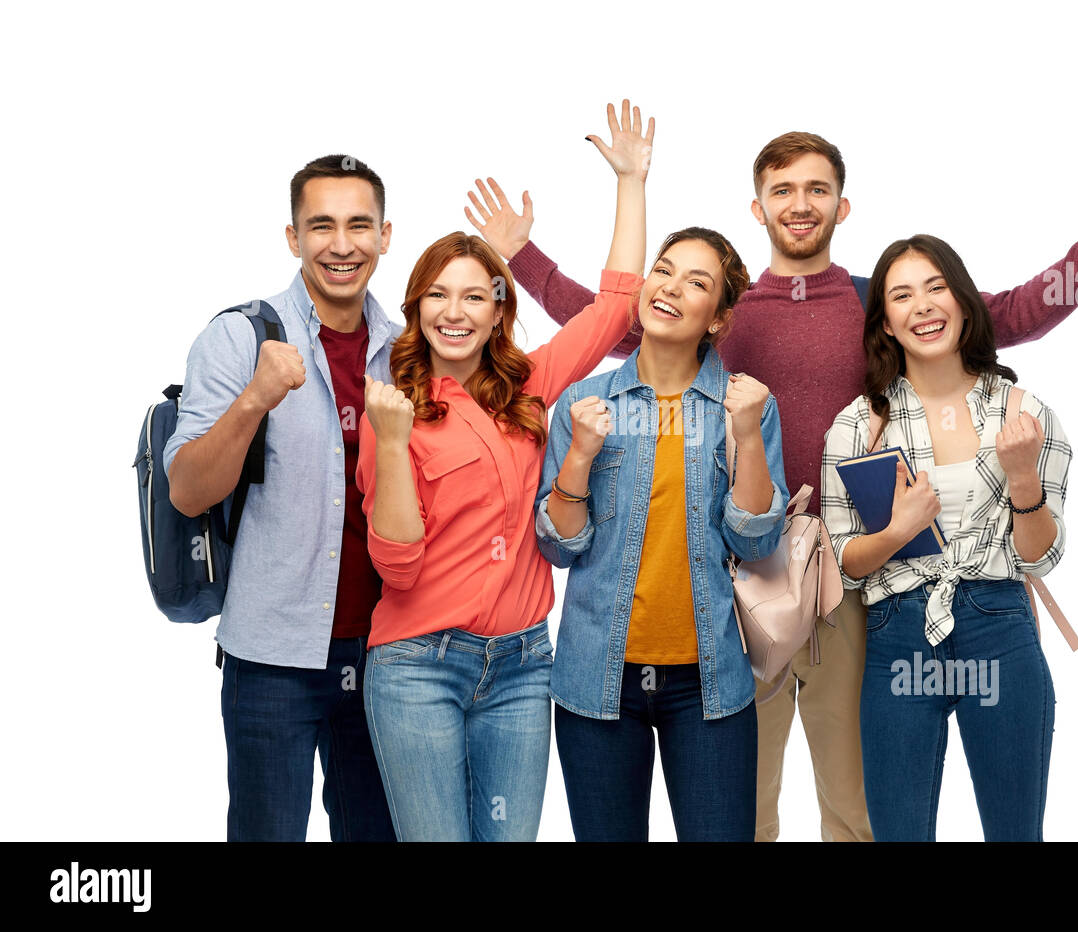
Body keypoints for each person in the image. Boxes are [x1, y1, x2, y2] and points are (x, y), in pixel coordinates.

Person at [469, 133, 1078, 841]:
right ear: (757, 208)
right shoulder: (721, 312)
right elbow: (608, 326)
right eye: (782, 190)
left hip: (857, 582)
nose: (800, 203)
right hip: (741, 581)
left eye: (818, 188)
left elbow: (1011, 312)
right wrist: (522, 258)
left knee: (857, 809)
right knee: (744, 809)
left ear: (842, 205)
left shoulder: (872, 303)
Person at [355, 100, 651, 842]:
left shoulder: (529, 387)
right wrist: (390, 444)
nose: (454, 313)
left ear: (497, 312)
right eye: (437, 296)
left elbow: (615, 310)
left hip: (522, 664)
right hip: (418, 665)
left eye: (473, 297)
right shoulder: (395, 410)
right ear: (416, 306)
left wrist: (631, 182)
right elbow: (395, 566)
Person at [164, 154, 400, 842]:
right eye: (320, 225)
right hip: (271, 660)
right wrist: (256, 398)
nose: (342, 244)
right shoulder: (240, 337)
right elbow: (187, 491)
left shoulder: (407, 347)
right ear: (293, 237)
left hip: (389, 657)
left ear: (386, 236)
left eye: (360, 225)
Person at [535, 223, 789, 842]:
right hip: (597, 679)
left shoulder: (746, 406)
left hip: (710, 684)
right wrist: (579, 458)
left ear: (719, 318)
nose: (670, 288)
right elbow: (557, 546)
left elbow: (756, 542)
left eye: (696, 282)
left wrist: (749, 436)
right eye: (664, 269)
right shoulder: (584, 401)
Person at [822, 233, 1070, 841]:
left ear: (963, 302)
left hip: (999, 627)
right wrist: (898, 530)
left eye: (936, 288)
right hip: (896, 636)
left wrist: (1021, 479)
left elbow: (1043, 554)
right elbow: (846, 562)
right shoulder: (860, 423)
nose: (923, 306)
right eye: (902, 295)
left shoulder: (1022, 412)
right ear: (885, 322)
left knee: (1016, 833)